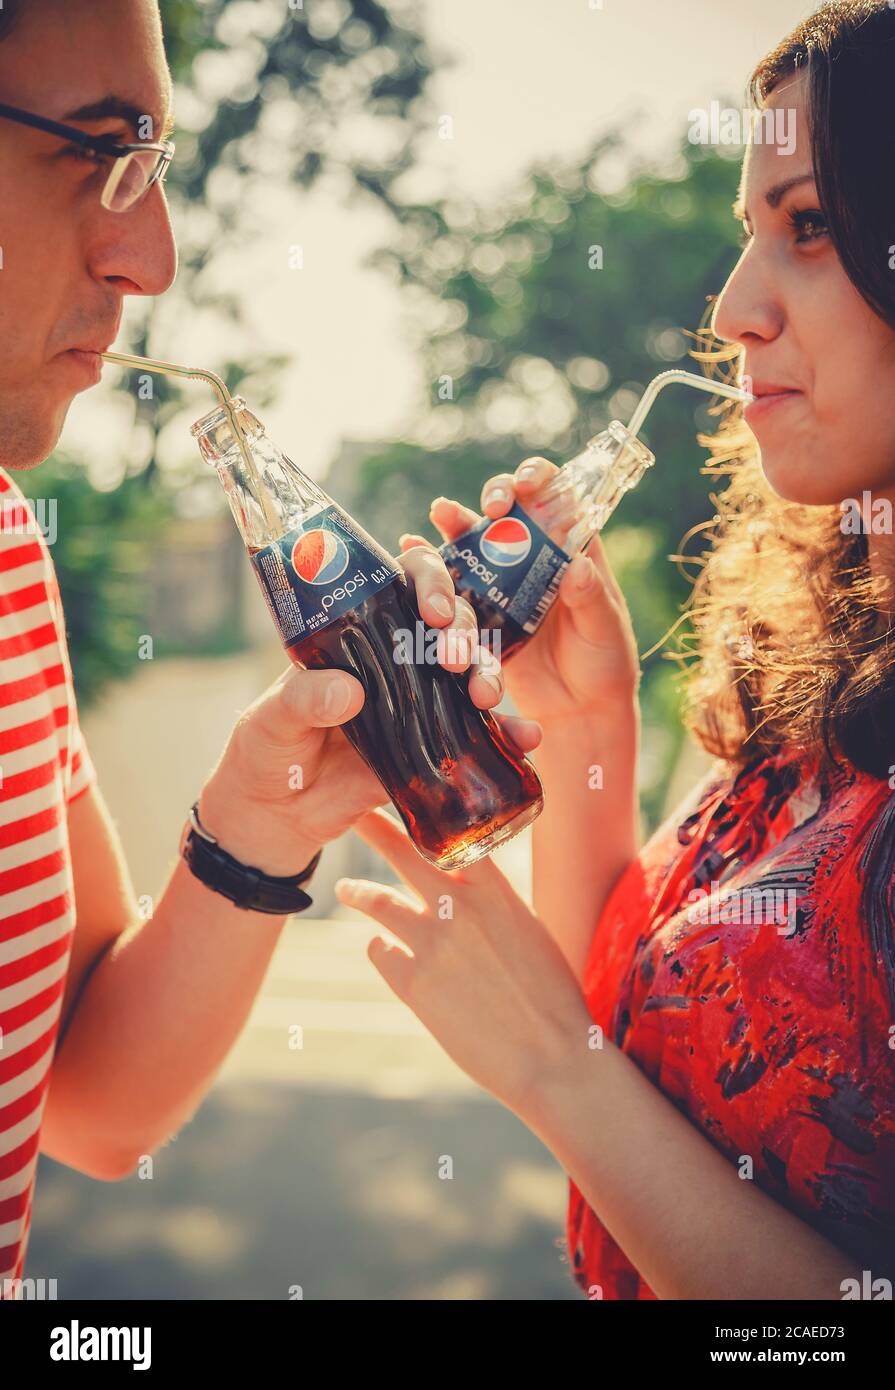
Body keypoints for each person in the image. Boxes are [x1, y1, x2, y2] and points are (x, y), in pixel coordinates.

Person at [337, 0, 895, 1299]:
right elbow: (650, 1048)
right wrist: (590, 724)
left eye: (808, 226)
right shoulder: (822, 681)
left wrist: (553, 1070)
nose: (736, 307)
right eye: (749, 231)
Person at [0, 0, 540, 1294]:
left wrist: (262, 819)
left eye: (160, 168)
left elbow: (87, 1106)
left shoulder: (8, 550)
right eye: (101, 152)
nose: (155, 256)